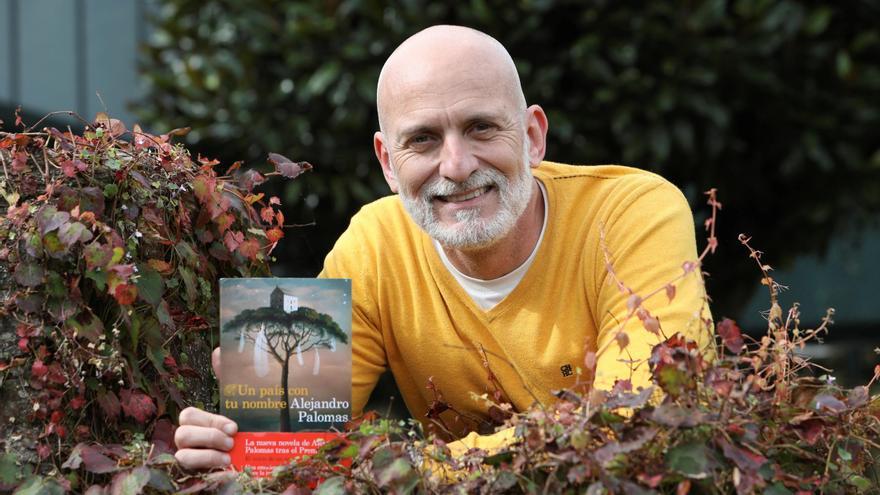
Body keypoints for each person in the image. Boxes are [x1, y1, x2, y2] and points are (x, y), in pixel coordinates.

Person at [174, 25, 713, 470]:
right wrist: (236, 445)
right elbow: (290, 451)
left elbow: (645, 426)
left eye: (481, 128)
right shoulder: (375, 243)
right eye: (423, 139)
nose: (456, 166)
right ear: (387, 162)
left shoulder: (632, 212)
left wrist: (401, 470)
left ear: (532, 137)